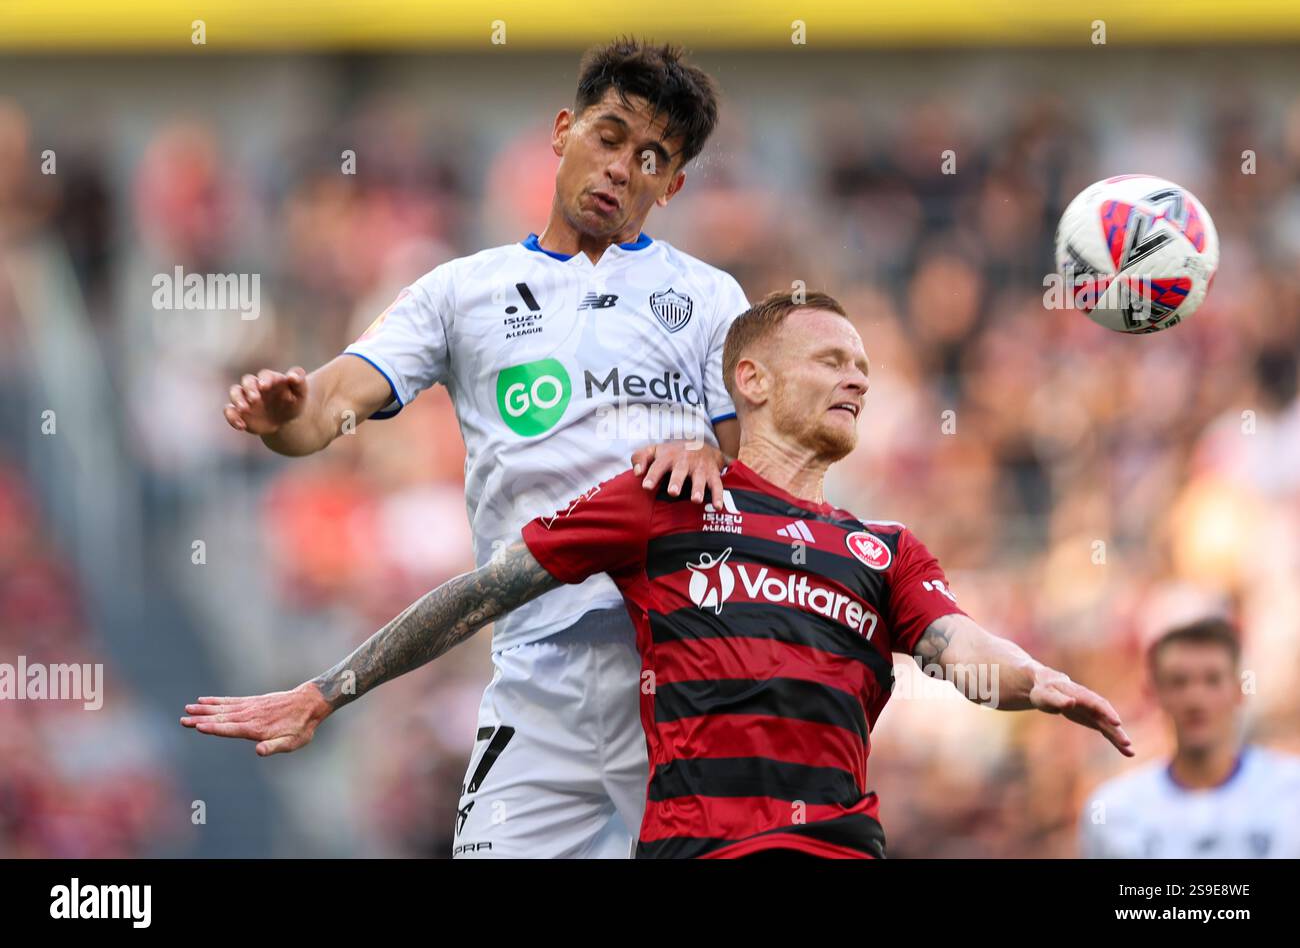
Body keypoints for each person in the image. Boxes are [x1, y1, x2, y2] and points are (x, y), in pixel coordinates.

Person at [188, 289, 1133, 859]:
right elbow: (483, 593)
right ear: (752, 381)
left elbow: (955, 645)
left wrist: (1031, 681)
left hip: (841, 845)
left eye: (866, 366)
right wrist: (328, 690)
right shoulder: (668, 502)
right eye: (833, 358)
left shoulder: (882, 546)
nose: (859, 378)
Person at [220, 38, 749, 858]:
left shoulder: (712, 298)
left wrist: (716, 457)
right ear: (563, 129)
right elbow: (322, 410)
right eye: (609, 138)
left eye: (652, 158)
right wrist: (280, 413)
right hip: (535, 670)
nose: (621, 169)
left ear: (672, 185)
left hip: (680, 667)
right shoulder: (461, 292)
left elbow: (763, 467)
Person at [1080, 616, 1300, 858]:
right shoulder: (1115, 811)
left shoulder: (1291, 793)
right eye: (1179, 682)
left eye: (1212, 680)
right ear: (1155, 692)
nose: (1196, 699)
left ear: (1239, 690)